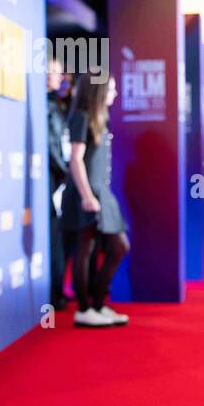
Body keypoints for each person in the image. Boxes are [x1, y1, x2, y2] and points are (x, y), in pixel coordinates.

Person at [61, 73, 131, 328]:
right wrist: (87, 196)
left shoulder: (101, 118)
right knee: (85, 249)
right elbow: (76, 159)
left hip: (101, 191)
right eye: (111, 88)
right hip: (86, 193)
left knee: (118, 246)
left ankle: (98, 305)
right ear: (98, 91)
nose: (115, 93)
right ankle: (84, 309)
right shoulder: (81, 116)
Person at [47, 57, 72, 311]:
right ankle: (54, 294)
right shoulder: (48, 107)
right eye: (54, 72)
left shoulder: (57, 105)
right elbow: (52, 146)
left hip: (58, 180)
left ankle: (57, 290)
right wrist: (66, 172)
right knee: (54, 238)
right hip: (52, 182)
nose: (60, 76)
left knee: (60, 238)